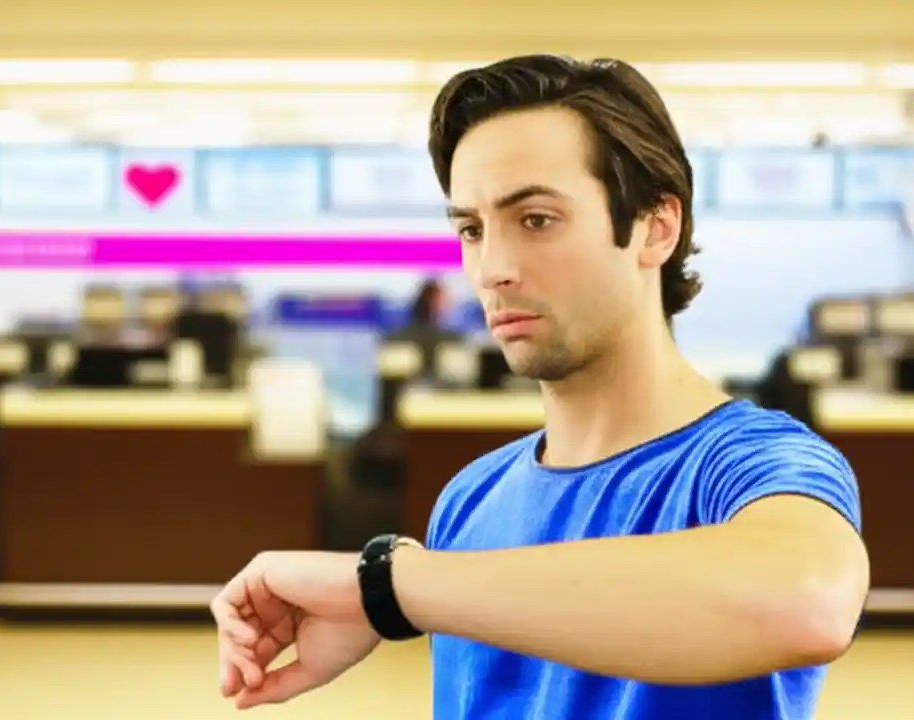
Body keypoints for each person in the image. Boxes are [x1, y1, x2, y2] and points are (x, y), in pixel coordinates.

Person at [211, 55, 869, 719]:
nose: (492, 268)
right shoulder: (471, 499)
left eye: (536, 220)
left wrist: (390, 589)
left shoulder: (750, 464)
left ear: (655, 227)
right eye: (471, 229)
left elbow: (807, 602)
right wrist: (409, 581)